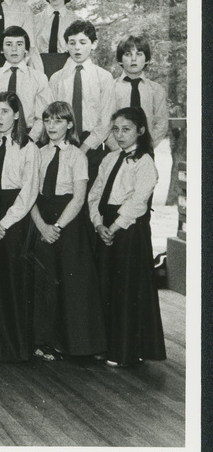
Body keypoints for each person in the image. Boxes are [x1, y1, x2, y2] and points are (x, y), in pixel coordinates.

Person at [28, 100, 106, 361]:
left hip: (68, 222)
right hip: (41, 218)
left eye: (58, 120)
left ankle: (77, 344)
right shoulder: (37, 153)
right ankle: (44, 341)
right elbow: (29, 195)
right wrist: (42, 226)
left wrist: (57, 227)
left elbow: (79, 197)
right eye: (48, 120)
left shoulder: (77, 155)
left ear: (69, 124)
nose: (52, 126)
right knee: (44, 282)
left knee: (73, 282)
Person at [89, 107, 166, 368]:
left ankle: (126, 350)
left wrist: (115, 226)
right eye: (116, 130)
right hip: (105, 227)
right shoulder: (109, 159)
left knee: (126, 289)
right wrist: (99, 223)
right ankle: (104, 344)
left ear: (141, 131)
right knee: (105, 286)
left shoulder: (145, 163)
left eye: (126, 129)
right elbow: (95, 194)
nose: (120, 135)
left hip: (129, 231)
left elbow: (138, 201)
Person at [0, 91, 40, 362]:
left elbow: (28, 192)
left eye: (4, 111)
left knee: (14, 281)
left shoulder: (29, 147)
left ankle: (16, 347)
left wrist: (2, 224)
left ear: (17, 114)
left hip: (14, 218)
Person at [48, 20, 115, 185]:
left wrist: (84, 148)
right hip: (63, 142)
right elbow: (52, 116)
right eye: (72, 43)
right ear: (66, 46)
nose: (77, 47)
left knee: (89, 195)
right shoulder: (57, 78)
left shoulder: (104, 77)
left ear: (93, 44)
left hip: (92, 145)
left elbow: (106, 120)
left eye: (83, 42)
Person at [0, 26, 52, 142]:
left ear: (26, 49)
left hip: (28, 138)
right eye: (8, 44)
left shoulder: (39, 78)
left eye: (19, 44)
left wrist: (30, 140)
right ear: (1, 49)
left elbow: (44, 116)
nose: (14, 49)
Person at [111, 35, 170, 149]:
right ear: (120, 60)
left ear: (147, 59)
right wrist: (117, 147)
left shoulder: (156, 90)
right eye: (127, 54)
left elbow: (161, 123)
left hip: (146, 149)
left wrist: (147, 146)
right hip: (116, 150)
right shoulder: (111, 88)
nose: (133, 59)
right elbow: (106, 122)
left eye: (139, 54)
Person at [33, 0, 82, 77]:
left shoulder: (76, 21)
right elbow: (32, 50)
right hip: (39, 68)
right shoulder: (35, 20)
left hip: (68, 69)